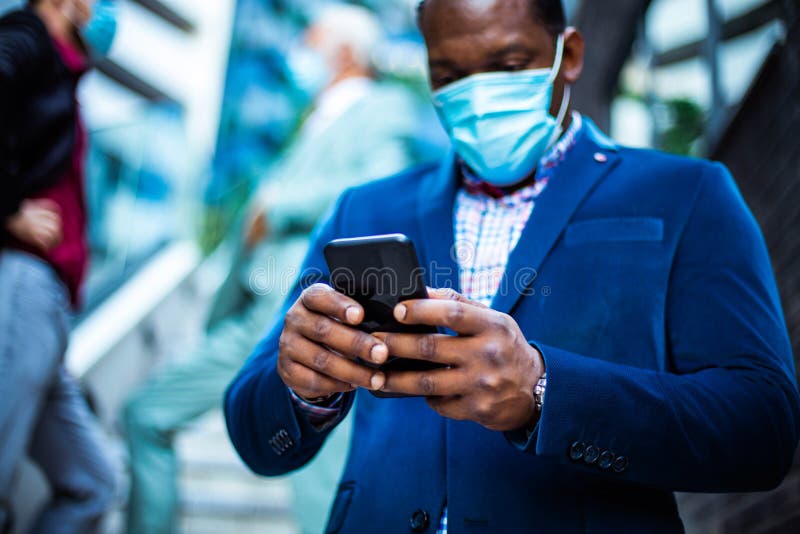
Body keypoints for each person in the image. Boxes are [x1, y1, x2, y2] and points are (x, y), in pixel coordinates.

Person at [224, 0, 800, 532]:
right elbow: (252, 431)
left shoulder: (686, 194)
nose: (477, 94)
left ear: (567, 56)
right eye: (450, 75)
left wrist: (544, 389)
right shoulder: (365, 207)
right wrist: (303, 388)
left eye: (508, 63)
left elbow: (763, 427)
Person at [121, 4, 433, 534]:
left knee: (150, 415)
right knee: (149, 416)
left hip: (291, 309)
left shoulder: (383, 109)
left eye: (311, 39)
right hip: (260, 311)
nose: (300, 53)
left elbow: (380, 189)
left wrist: (278, 201)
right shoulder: (317, 118)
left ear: (345, 52)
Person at [0, 0, 117, 532]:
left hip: (48, 299)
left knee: (95, 483)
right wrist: (9, 209)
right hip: (21, 279)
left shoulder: (61, 66)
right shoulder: (24, 37)